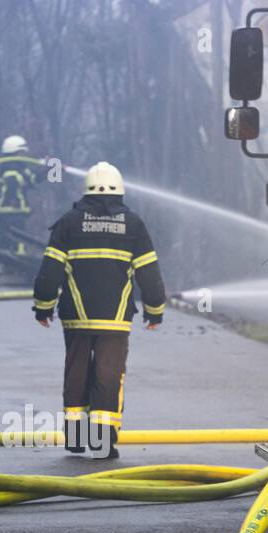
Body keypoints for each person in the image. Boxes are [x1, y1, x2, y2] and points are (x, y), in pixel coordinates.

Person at [32, 161, 166, 460]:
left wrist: (43, 307)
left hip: (76, 318)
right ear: (120, 190)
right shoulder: (133, 225)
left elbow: (49, 272)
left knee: (76, 371)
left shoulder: (68, 223)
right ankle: (103, 443)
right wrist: (154, 310)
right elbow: (149, 274)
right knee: (109, 375)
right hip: (115, 320)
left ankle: (77, 439)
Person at [0, 135, 39, 255]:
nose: (23, 156)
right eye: (21, 153)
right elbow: (12, 185)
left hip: (12, 211)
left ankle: (2, 262)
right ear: (14, 152)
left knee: (6, 239)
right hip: (12, 211)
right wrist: (15, 200)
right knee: (17, 239)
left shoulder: (20, 168)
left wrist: (50, 170)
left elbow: (32, 179)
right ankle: (16, 262)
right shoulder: (10, 168)